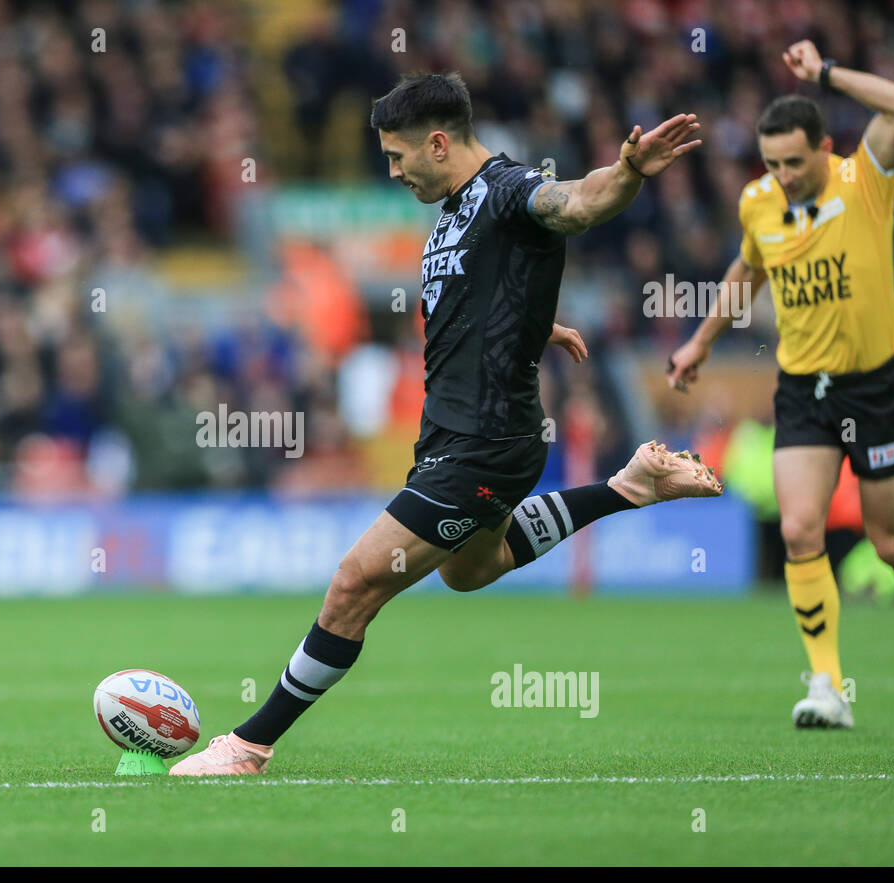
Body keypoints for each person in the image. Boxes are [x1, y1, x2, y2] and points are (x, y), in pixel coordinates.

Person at [171, 72, 721, 776]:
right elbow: (483, 290)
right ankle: (630, 488)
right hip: (451, 437)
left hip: (485, 444)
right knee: (472, 569)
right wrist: (532, 323)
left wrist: (629, 172)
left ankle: (249, 745)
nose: (393, 172)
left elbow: (578, 203)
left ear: (438, 143)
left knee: (354, 584)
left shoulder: (509, 189)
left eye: (398, 157)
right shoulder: (454, 213)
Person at [668, 40, 894, 729]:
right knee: (801, 527)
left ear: (825, 148)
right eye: (772, 163)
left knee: (889, 544)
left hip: (878, 385)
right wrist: (700, 342)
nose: (784, 176)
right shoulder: (758, 202)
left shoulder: (865, 177)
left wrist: (826, 73)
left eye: (796, 162)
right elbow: (747, 273)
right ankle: (827, 686)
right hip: (804, 388)